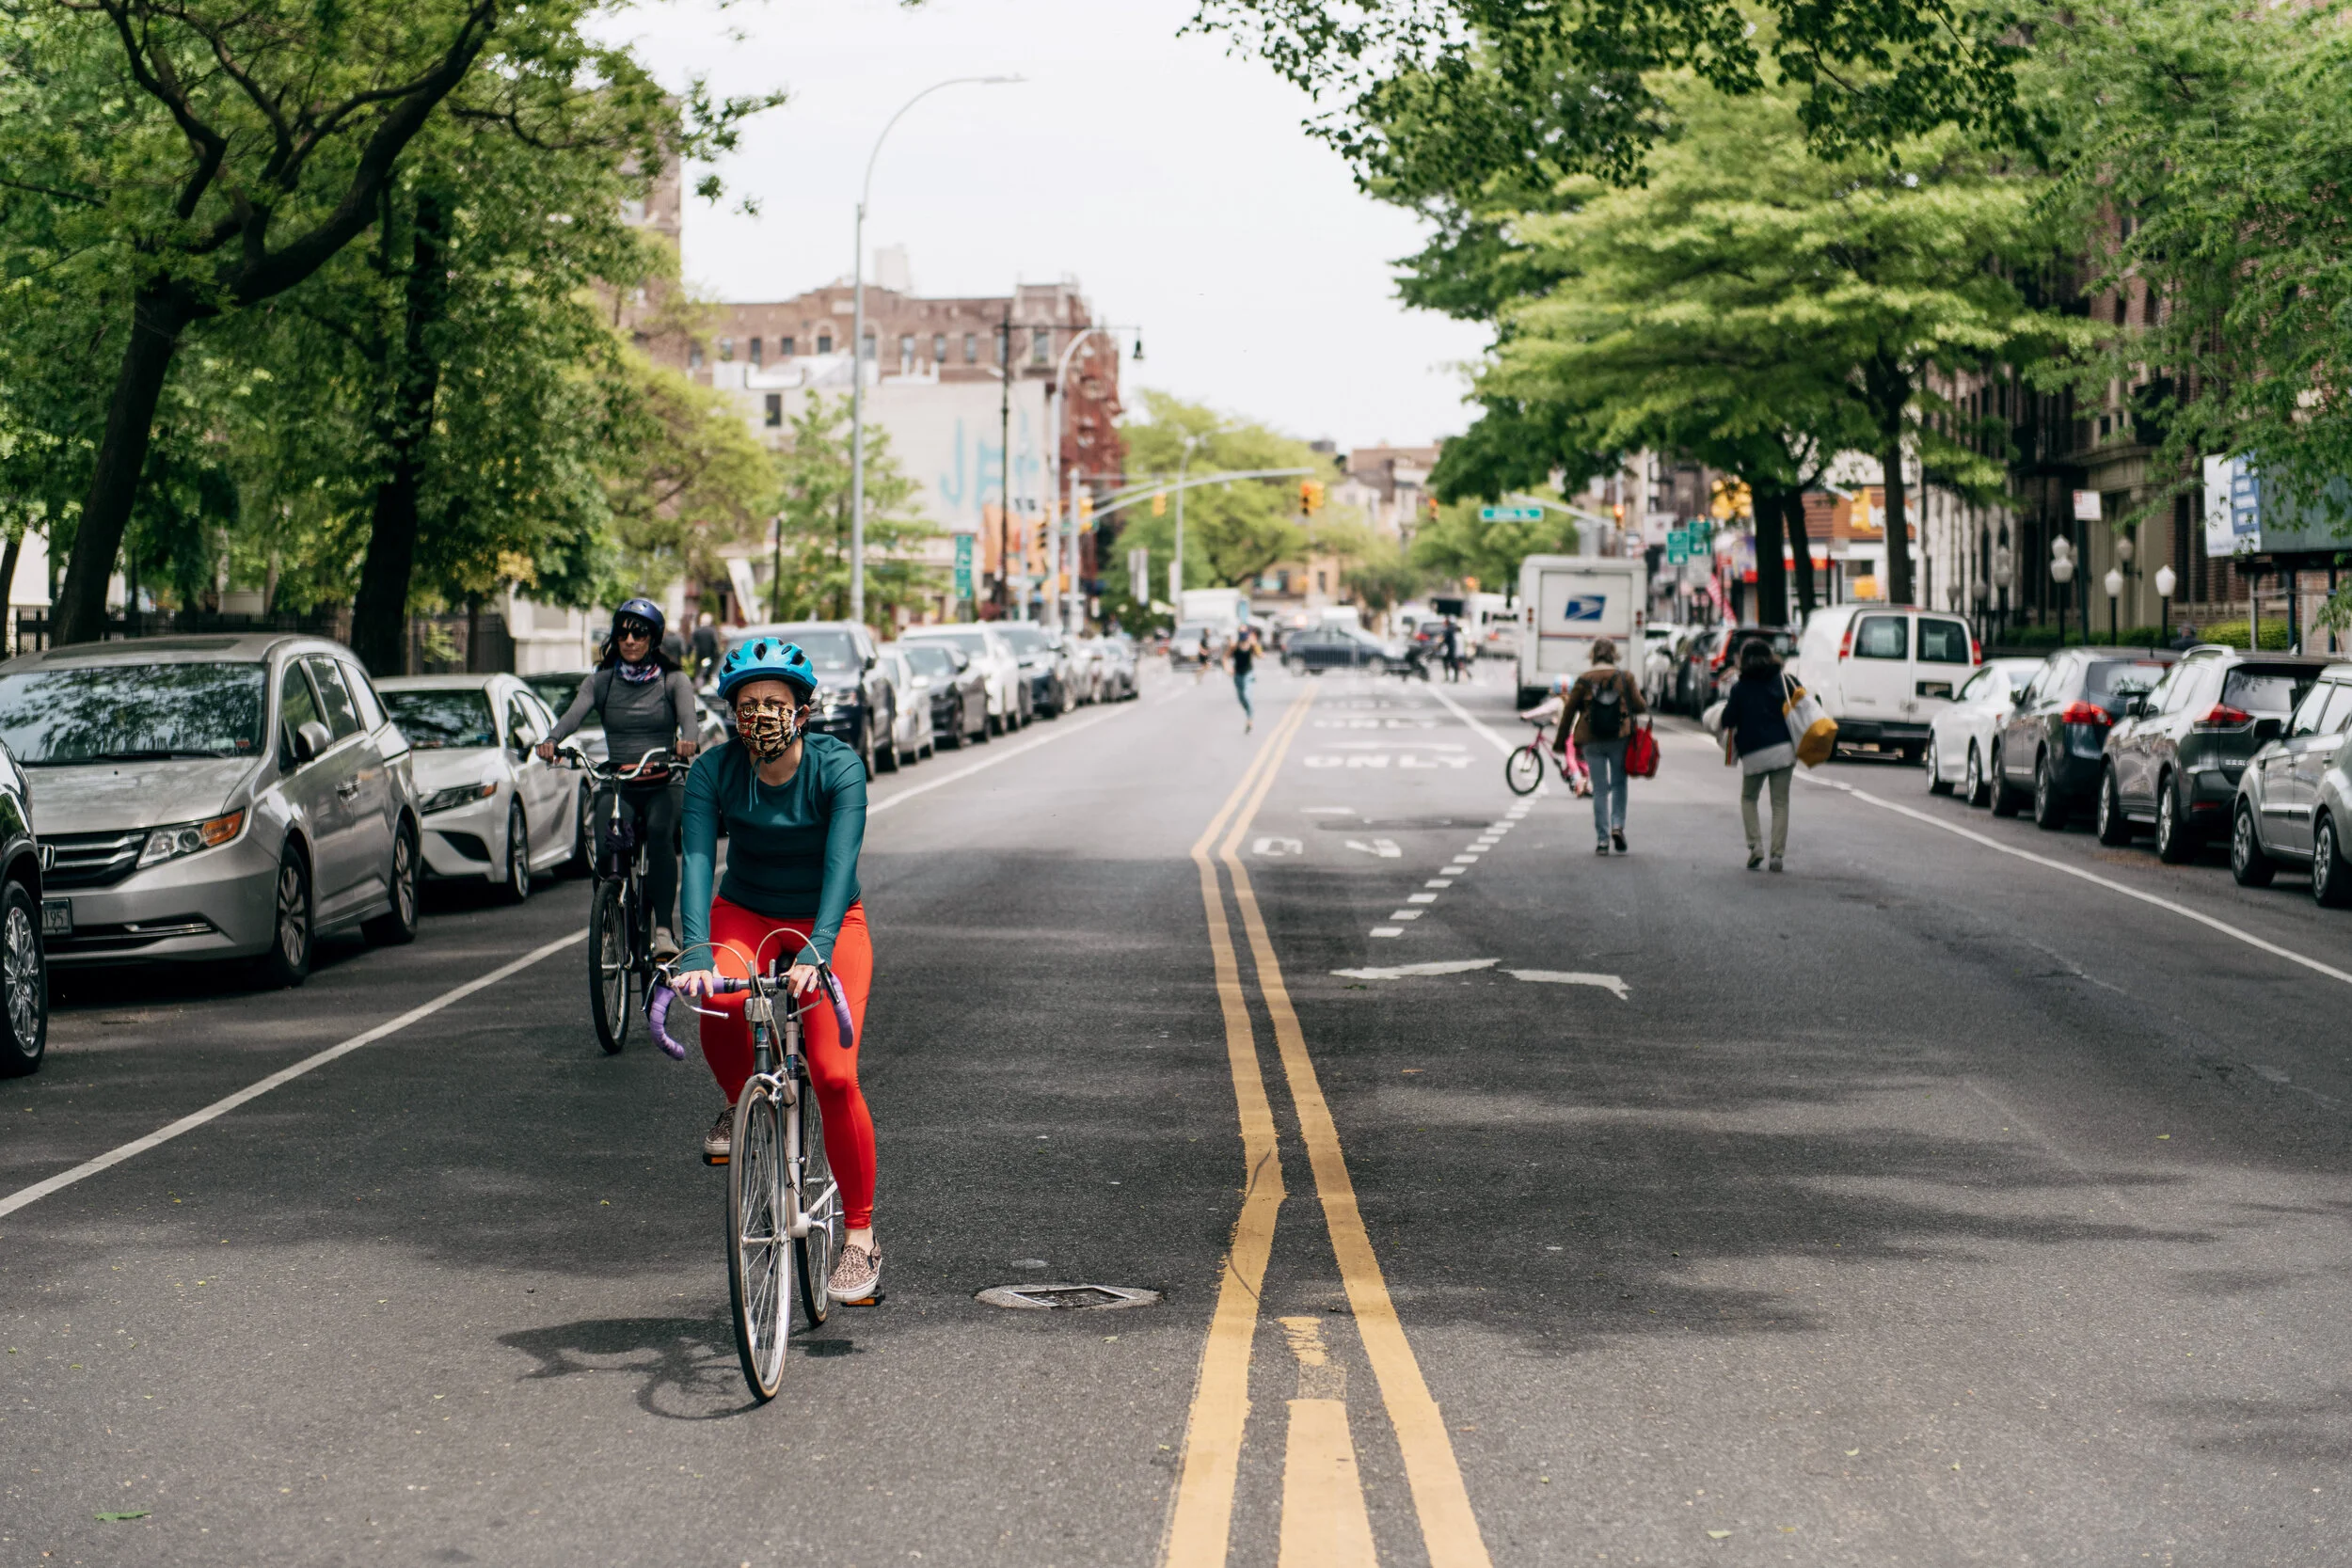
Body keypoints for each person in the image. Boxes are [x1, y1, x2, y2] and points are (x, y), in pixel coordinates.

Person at [671, 637, 882, 1303]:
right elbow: (699, 863)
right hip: (747, 912)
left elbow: (841, 865)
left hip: (830, 920)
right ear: (730, 713)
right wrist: (697, 951)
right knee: (720, 999)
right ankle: (743, 1100)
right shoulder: (713, 773)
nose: (759, 714)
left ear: (804, 709)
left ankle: (859, 1235)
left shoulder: (838, 768)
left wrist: (819, 950)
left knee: (834, 1074)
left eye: (774, 702)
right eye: (747, 703)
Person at [541, 599, 700, 955]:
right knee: (610, 841)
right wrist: (553, 739)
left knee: (659, 835)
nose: (629, 640)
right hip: (619, 785)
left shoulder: (674, 681)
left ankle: (662, 930)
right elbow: (572, 716)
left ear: (653, 639)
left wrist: (688, 741)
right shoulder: (601, 682)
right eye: (623, 632)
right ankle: (611, 918)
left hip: (663, 781)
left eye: (639, 632)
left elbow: (690, 722)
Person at [1558, 639, 1645, 853]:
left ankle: (1603, 840)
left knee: (1599, 789)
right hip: (1619, 737)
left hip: (1591, 738)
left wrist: (1561, 741)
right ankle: (1617, 825)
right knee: (1618, 783)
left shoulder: (1584, 679)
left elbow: (1569, 710)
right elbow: (1640, 705)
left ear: (1593, 655)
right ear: (1613, 655)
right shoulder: (1625, 677)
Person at [1718, 637, 1797, 871]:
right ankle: (1777, 856)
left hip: (1754, 753)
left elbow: (1727, 720)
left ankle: (1755, 847)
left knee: (1749, 798)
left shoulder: (1740, 688)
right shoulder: (1784, 681)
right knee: (1780, 803)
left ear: (1743, 660)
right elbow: (1803, 704)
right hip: (1784, 749)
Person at [1229, 623, 1261, 731]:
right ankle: (1249, 712)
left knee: (1247, 695)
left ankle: (1249, 719)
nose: (1242, 633)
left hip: (1248, 674)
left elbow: (1259, 655)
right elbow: (1224, 657)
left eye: (1244, 631)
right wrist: (1228, 668)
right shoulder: (1234, 646)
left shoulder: (1251, 644)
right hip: (1238, 674)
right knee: (1241, 698)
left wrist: (1255, 644)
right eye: (1240, 631)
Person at [691, 611, 721, 684]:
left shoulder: (697, 631)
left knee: (699, 673)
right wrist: (717, 655)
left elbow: (692, 644)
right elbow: (715, 644)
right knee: (708, 673)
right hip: (710, 656)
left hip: (699, 656)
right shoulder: (712, 631)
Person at [1439, 616, 1464, 683]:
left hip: (1450, 649)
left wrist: (1440, 645)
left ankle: (1450, 677)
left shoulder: (1448, 629)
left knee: (1449, 662)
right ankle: (1455, 678)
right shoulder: (1454, 629)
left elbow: (1445, 639)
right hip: (1453, 649)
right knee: (1454, 663)